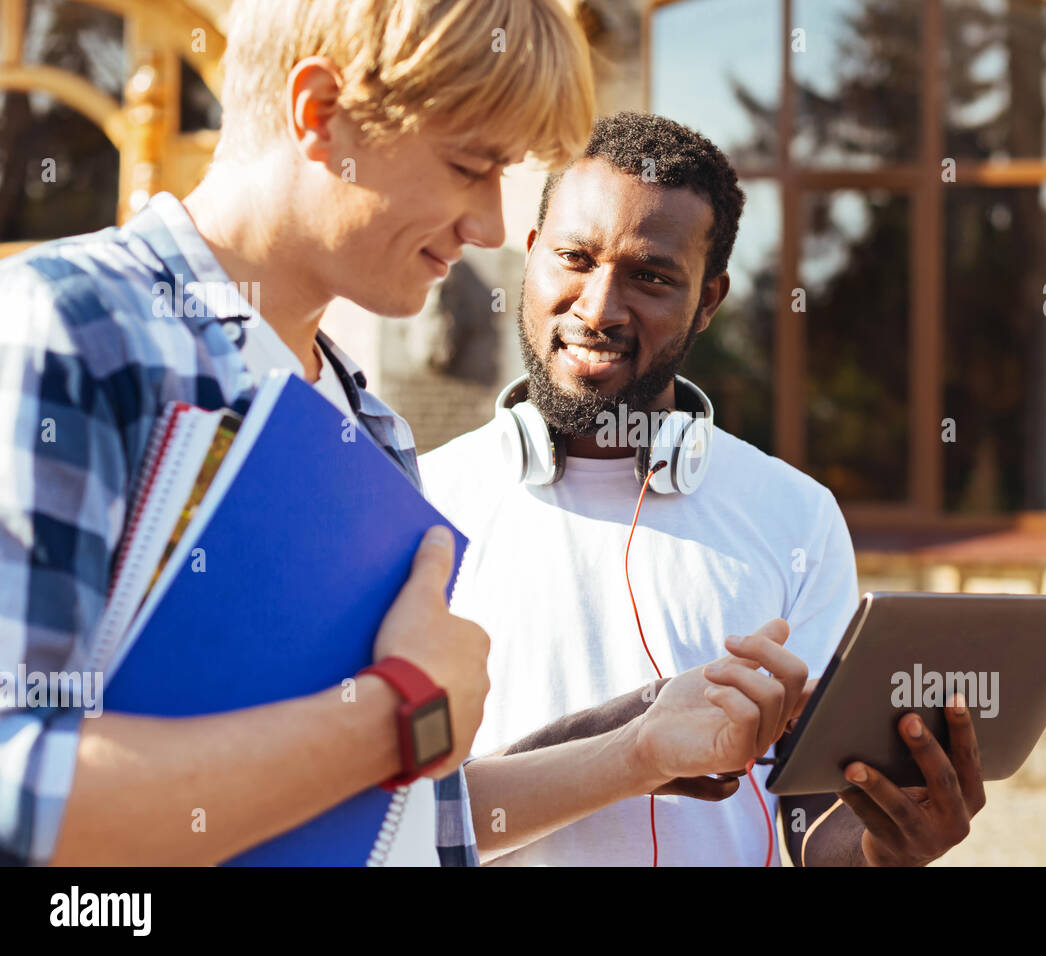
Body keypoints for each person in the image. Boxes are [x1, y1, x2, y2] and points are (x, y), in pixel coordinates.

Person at [0, 0, 792, 867]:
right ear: (318, 113)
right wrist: (402, 714)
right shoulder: (68, 331)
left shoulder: (371, 432)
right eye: (467, 166)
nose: (491, 226)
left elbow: (411, 825)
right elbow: (19, 793)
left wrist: (638, 751)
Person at [420, 112, 988, 866]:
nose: (598, 307)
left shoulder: (797, 517)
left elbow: (815, 822)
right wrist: (633, 751)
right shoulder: (421, 502)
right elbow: (395, 825)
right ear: (531, 257)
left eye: (651, 277)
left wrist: (887, 847)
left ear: (709, 302)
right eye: (575, 258)